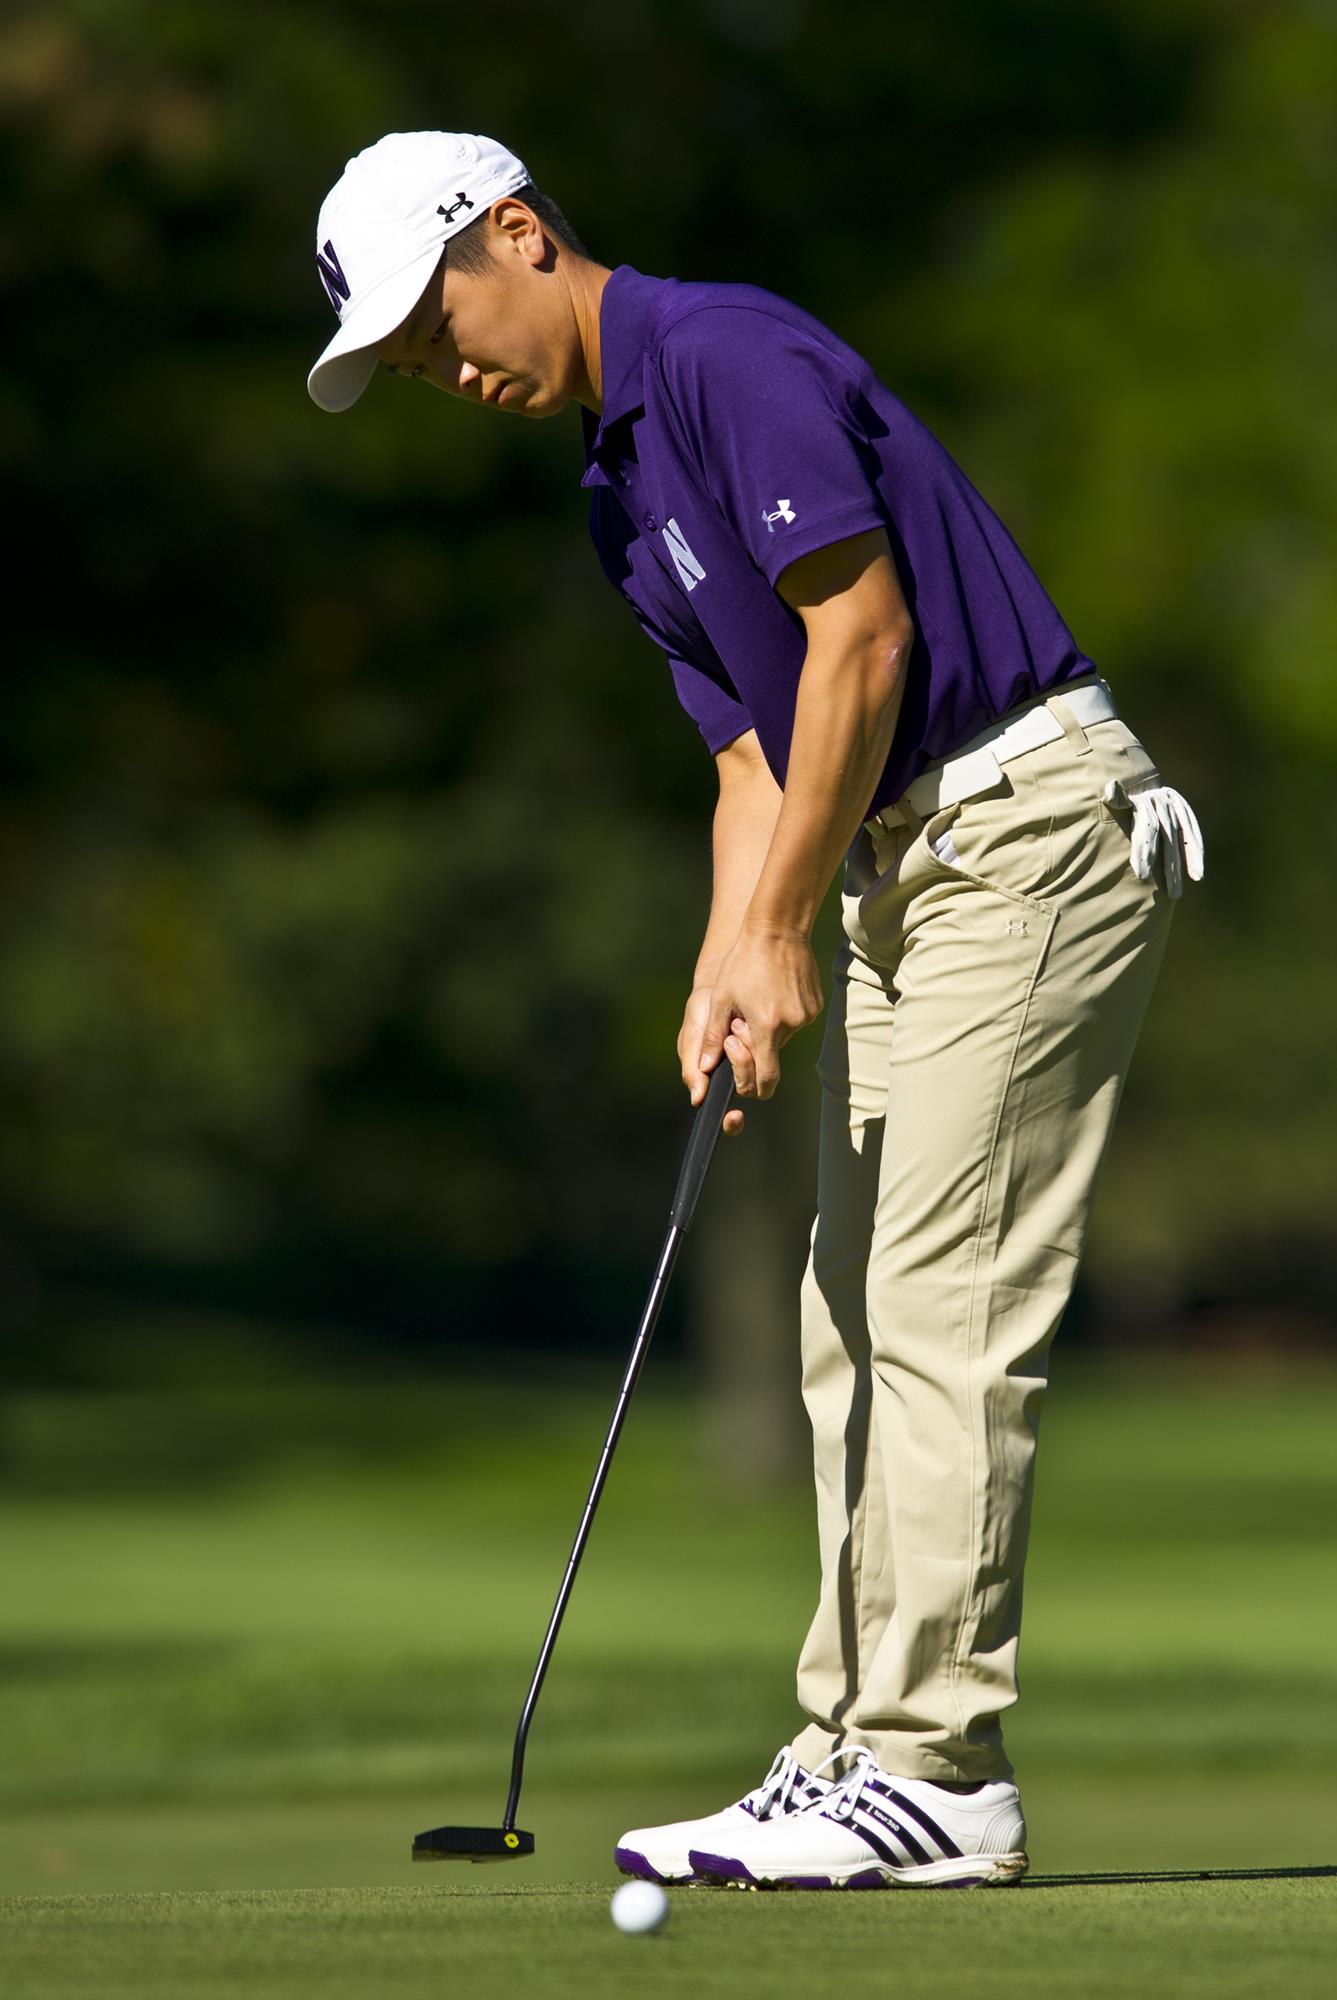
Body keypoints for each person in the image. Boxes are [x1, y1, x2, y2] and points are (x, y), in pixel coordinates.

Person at [307, 129, 1203, 1891]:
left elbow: (859, 645)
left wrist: (786, 922)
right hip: (882, 851)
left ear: (517, 229)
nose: (450, 369)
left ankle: (936, 1762)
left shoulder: (719, 354)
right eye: (413, 362)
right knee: (842, 1307)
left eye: (441, 323)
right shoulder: (611, 488)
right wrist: (731, 958)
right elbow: (747, 757)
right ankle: (855, 1736)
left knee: (940, 1298)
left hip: (1021, 823)